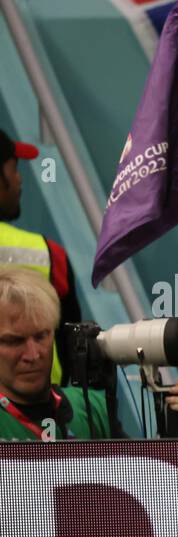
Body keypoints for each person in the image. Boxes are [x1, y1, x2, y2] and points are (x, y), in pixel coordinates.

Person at [0, 129, 84, 386]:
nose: (20, 180)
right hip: (40, 411)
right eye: (14, 169)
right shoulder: (46, 252)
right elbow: (74, 344)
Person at [0, 266, 118, 440]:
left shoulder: (92, 407)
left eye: (41, 336)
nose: (33, 355)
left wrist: (171, 422)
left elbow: (142, 465)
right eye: (14, 341)